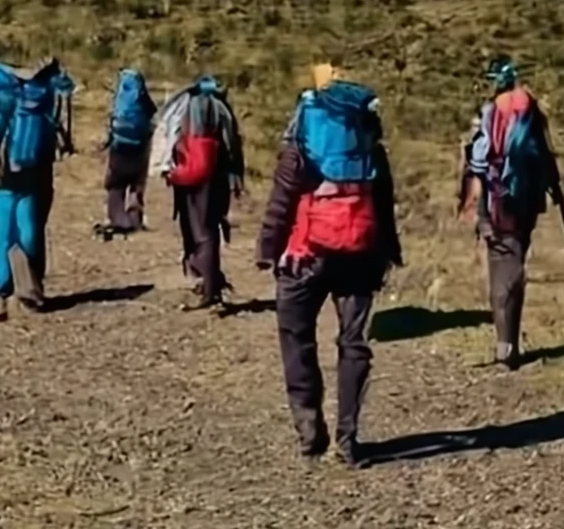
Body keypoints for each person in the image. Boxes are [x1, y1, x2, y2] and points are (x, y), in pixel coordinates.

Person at [256, 65, 402, 467]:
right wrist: (388, 250)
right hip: (361, 252)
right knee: (353, 344)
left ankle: (308, 428)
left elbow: (282, 198)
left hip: (305, 255)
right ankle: (348, 439)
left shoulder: (302, 140)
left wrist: (268, 248)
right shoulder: (369, 144)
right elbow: (384, 201)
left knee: (296, 337)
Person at [463, 56, 564, 370]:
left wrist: (476, 205)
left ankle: (504, 347)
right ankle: (512, 344)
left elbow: (478, 162)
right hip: (527, 200)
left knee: (500, 266)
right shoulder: (530, 111)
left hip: (497, 199)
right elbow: (546, 155)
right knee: (516, 258)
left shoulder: (491, 111)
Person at [0, 57, 74, 322]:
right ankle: (30, 288)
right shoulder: (45, 94)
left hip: (5, 177)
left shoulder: (0, 97)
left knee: (2, 232)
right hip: (35, 175)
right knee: (29, 231)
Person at [161, 76, 244, 310]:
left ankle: (205, 284)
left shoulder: (185, 107)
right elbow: (233, 149)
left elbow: (170, 137)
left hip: (186, 176)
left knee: (193, 228)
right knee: (209, 230)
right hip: (215, 178)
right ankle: (210, 282)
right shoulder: (222, 111)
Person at [97, 68, 157, 239]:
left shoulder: (119, 97)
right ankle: (134, 219)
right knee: (136, 184)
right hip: (140, 147)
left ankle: (117, 219)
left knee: (115, 185)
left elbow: (111, 119)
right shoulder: (142, 97)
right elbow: (152, 113)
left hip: (119, 147)